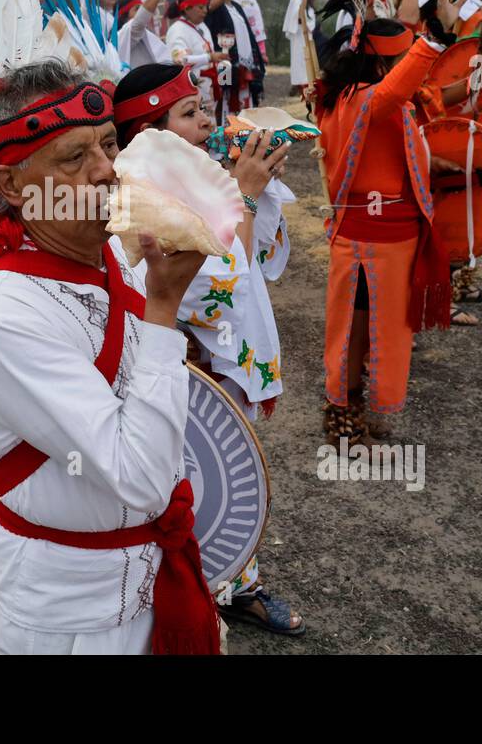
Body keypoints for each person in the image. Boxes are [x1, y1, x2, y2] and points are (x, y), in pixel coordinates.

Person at [0, 59, 220, 655]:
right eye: (74, 159)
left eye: (109, 144)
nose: (107, 172)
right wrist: (164, 305)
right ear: (13, 185)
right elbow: (142, 480)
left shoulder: (110, 258)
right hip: (66, 612)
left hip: (147, 577)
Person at [112, 62, 305, 638]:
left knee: (211, 480)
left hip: (220, 364)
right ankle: (216, 586)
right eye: (190, 113)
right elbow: (223, 292)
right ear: (154, 133)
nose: (207, 122)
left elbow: (261, 260)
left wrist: (247, 192)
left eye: (203, 108)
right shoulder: (145, 202)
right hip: (193, 367)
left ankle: (223, 578)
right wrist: (241, 193)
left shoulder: (198, 179)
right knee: (197, 480)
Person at [317, 0, 463, 444]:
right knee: (359, 327)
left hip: (394, 234)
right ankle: (342, 409)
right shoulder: (362, 99)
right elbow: (396, 92)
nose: (406, 70)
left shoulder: (371, 98)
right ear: (383, 61)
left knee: (383, 329)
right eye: (400, 61)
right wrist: (436, 33)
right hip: (368, 238)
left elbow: (405, 127)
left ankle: (361, 405)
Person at [164, 0, 229, 119]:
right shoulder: (178, 30)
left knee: (212, 126)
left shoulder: (202, 26)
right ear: (187, 8)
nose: (205, 11)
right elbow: (179, 60)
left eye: (205, 6)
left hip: (208, 88)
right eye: (200, 7)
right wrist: (209, 57)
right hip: (191, 92)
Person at [208, 0, 267, 108]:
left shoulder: (236, 6)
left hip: (245, 63)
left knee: (246, 103)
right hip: (226, 63)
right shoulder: (216, 7)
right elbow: (209, 6)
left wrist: (258, 56)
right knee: (227, 100)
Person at [114, 0, 179, 68]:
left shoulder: (146, 32)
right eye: (137, 9)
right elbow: (139, 22)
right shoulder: (123, 35)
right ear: (124, 16)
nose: (141, 13)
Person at [282, 0, 316, 91]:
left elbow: (310, 17)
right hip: (299, 34)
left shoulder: (309, 0)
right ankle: (300, 85)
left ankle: (308, 83)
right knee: (299, 59)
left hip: (307, 34)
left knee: (308, 59)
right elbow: (299, 14)